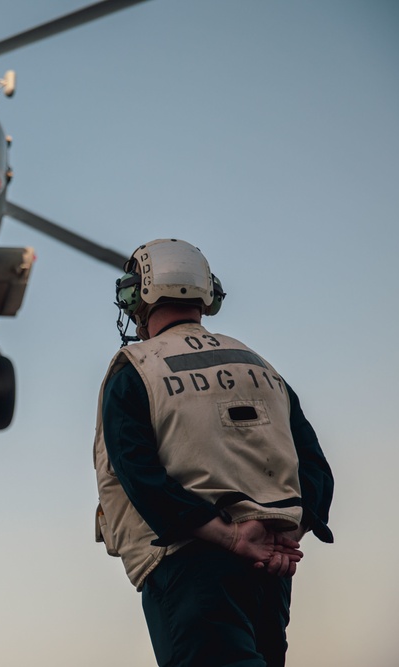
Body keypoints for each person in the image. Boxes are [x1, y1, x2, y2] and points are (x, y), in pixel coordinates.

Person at [93, 238, 334, 667]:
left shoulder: (135, 370)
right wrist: (287, 537)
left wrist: (231, 537)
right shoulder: (259, 366)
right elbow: (315, 466)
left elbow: (139, 474)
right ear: (208, 294)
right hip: (270, 568)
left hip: (188, 567)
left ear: (141, 294)